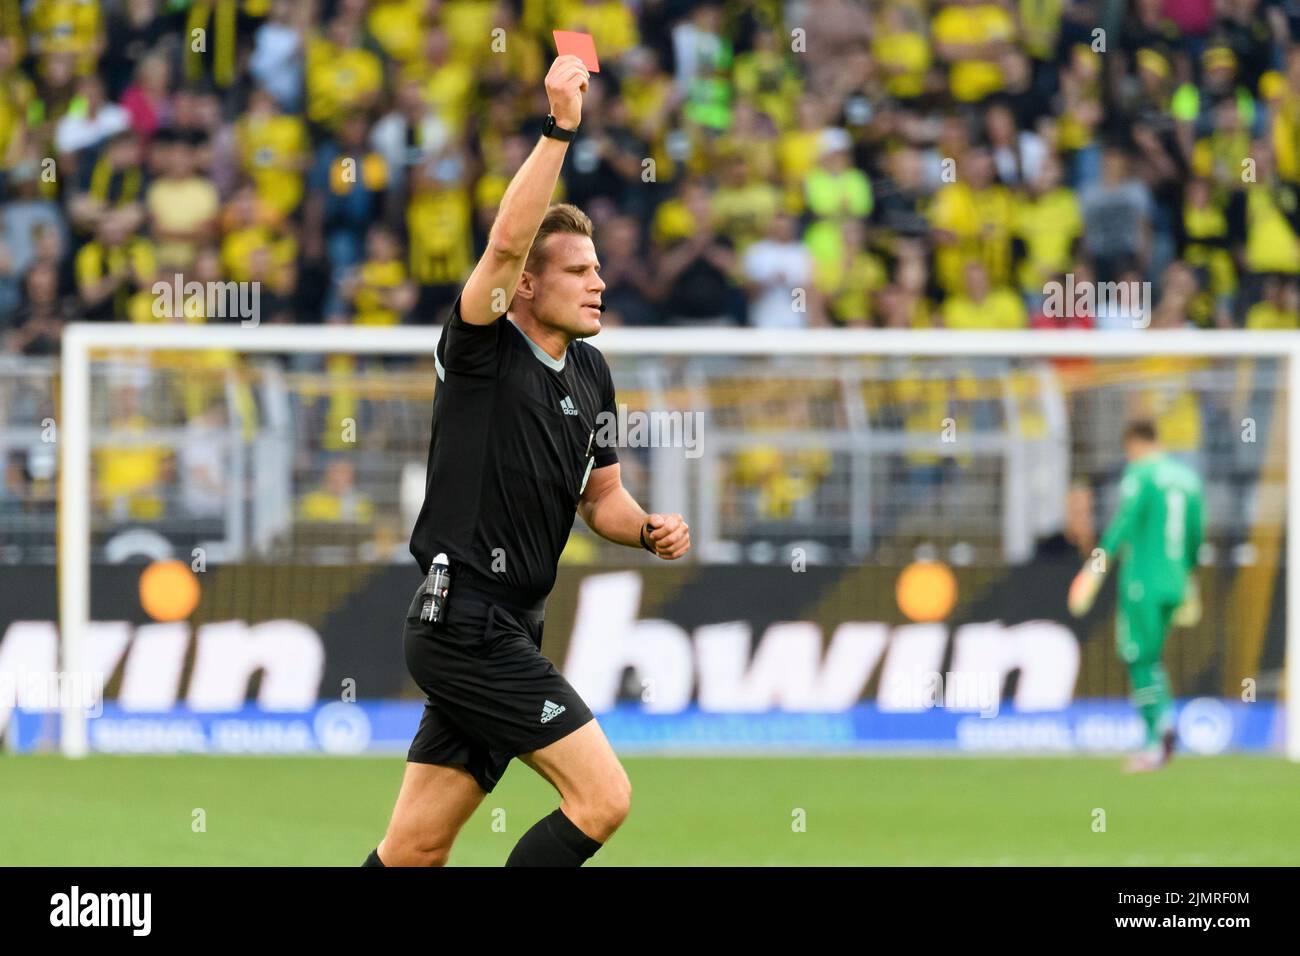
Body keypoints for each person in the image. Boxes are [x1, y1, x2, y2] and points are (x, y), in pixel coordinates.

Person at [364, 56, 690, 868]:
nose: (599, 283)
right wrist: (560, 128)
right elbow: (509, 239)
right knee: (603, 797)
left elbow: (601, 500)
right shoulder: (482, 347)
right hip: (464, 619)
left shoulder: (591, 371)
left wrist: (645, 529)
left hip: (512, 624)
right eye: (578, 272)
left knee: (414, 850)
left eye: (599, 268)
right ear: (524, 289)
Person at [1067, 420, 1204, 772]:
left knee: (1137, 656)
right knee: (1152, 656)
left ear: (1134, 445)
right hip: (1174, 582)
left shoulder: (1140, 474)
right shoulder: (1188, 480)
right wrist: (1189, 578)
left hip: (1143, 581)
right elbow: (1194, 536)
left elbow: (1121, 526)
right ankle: (1166, 722)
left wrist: (1093, 569)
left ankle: (1153, 739)